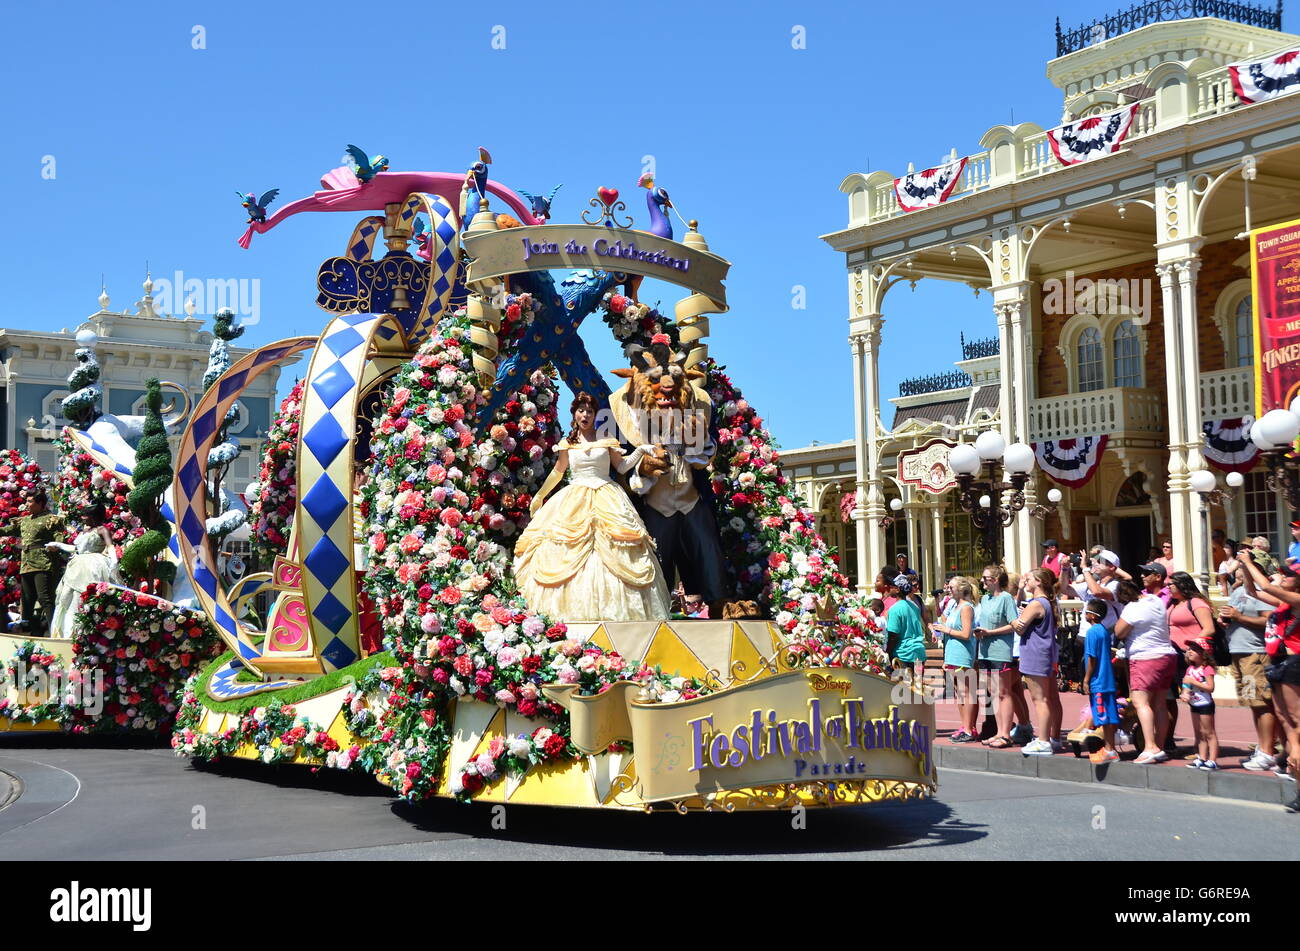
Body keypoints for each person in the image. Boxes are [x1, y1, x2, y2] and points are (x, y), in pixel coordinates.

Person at [513, 392, 671, 622]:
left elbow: (623, 466)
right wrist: (539, 496)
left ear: (595, 415)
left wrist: (641, 450)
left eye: (589, 411)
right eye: (581, 410)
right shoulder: (567, 444)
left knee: (615, 546)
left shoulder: (606, 440)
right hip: (574, 498)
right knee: (564, 547)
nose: (585, 414)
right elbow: (558, 472)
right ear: (574, 414)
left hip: (607, 496)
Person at [1237, 549, 1300, 810]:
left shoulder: (1296, 599)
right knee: (1285, 720)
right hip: (1278, 663)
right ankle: (1294, 759)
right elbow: (1254, 592)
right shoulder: (1284, 603)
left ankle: (1295, 754)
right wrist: (1244, 570)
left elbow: (1265, 585)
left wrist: (1249, 562)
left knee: (1295, 720)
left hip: (1294, 662)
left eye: (1288, 576)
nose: (1283, 578)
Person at [1220, 565, 1279, 771]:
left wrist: (1239, 617)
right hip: (1238, 651)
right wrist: (1225, 620)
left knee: (1262, 702)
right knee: (1252, 702)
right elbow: (1232, 615)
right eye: (1236, 575)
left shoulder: (1264, 594)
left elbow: (1269, 621)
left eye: (1242, 574)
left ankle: (1268, 751)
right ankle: (1262, 748)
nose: (1238, 578)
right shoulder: (1237, 592)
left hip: (1256, 652)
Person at [1114, 579, 1178, 764]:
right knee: (1159, 704)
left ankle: (1150, 747)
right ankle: (1159, 746)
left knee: (1141, 703)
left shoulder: (1133, 608)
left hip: (1145, 657)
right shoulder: (1155, 600)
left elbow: (1119, 631)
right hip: (1166, 655)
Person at [1013, 568, 1063, 756]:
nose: (1026, 581)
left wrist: (1013, 620)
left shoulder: (1036, 603)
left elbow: (1019, 627)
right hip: (1046, 652)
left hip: (1035, 653)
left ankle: (1043, 740)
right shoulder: (1047, 602)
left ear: (1039, 582)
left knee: (1039, 699)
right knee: (1051, 698)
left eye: (1029, 578)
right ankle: (1054, 737)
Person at [1166, 571, 1217, 753]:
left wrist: (1192, 648)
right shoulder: (1172, 604)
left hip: (1189, 657)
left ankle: (1202, 745)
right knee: (1177, 698)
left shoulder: (1195, 602)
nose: (1168, 587)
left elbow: (1209, 628)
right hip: (1173, 656)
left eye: (1171, 584)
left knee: (1197, 700)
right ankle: (1186, 743)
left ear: (1182, 585)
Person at [8, 490, 67, 637]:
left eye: (30, 501)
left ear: (40, 503)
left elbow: (59, 537)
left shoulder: (50, 519)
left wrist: (57, 545)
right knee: (27, 600)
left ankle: (53, 631)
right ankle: (31, 632)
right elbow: (7, 530)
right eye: (26, 501)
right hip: (26, 564)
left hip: (43, 562)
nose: (26, 504)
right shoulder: (25, 520)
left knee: (45, 598)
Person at [975, 565, 1020, 749]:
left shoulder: (1006, 598)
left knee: (1003, 692)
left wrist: (991, 632)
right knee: (993, 693)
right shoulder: (985, 599)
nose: (983, 581)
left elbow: (1013, 625)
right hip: (984, 649)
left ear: (995, 580)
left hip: (1000, 650)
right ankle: (999, 732)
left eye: (986, 578)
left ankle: (1006, 733)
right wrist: (979, 633)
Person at [934, 576, 978, 742]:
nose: (948, 590)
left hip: (963, 653)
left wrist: (947, 630)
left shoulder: (966, 607)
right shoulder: (953, 606)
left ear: (961, 589)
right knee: (959, 693)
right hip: (952, 652)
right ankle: (964, 726)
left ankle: (969, 728)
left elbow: (967, 634)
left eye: (951, 587)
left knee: (966, 692)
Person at [1081, 598, 1120, 764]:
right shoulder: (1103, 631)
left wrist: (1086, 679)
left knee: (1103, 717)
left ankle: (1110, 749)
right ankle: (1109, 748)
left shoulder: (1092, 632)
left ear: (1092, 615)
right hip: (1107, 680)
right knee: (1109, 716)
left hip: (1099, 681)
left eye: (1086, 611)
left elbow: (1092, 658)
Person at [1181, 639, 1220, 770]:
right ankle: (1202, 757)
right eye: (1189, 649)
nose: (1190, 651)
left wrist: (1193, 681)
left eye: (1194, 649)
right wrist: (1184, 693)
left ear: (1203, 653)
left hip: (1205, 704)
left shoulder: (1207, 669)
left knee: (1209, 732)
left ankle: (1213, 760)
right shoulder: (1190, 669)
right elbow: (1186, 684)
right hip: (1194, 704)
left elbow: (1210, 688)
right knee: (1200, 733)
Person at [885, 574, 928, 687]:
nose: (889, 588)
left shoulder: (894, 609)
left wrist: (888, 651)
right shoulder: (914, 606)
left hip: (903, 655)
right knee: (918, 689)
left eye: (892, 586)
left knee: (903, 691)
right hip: (919, 653)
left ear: (898, 589)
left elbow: (893, 635)